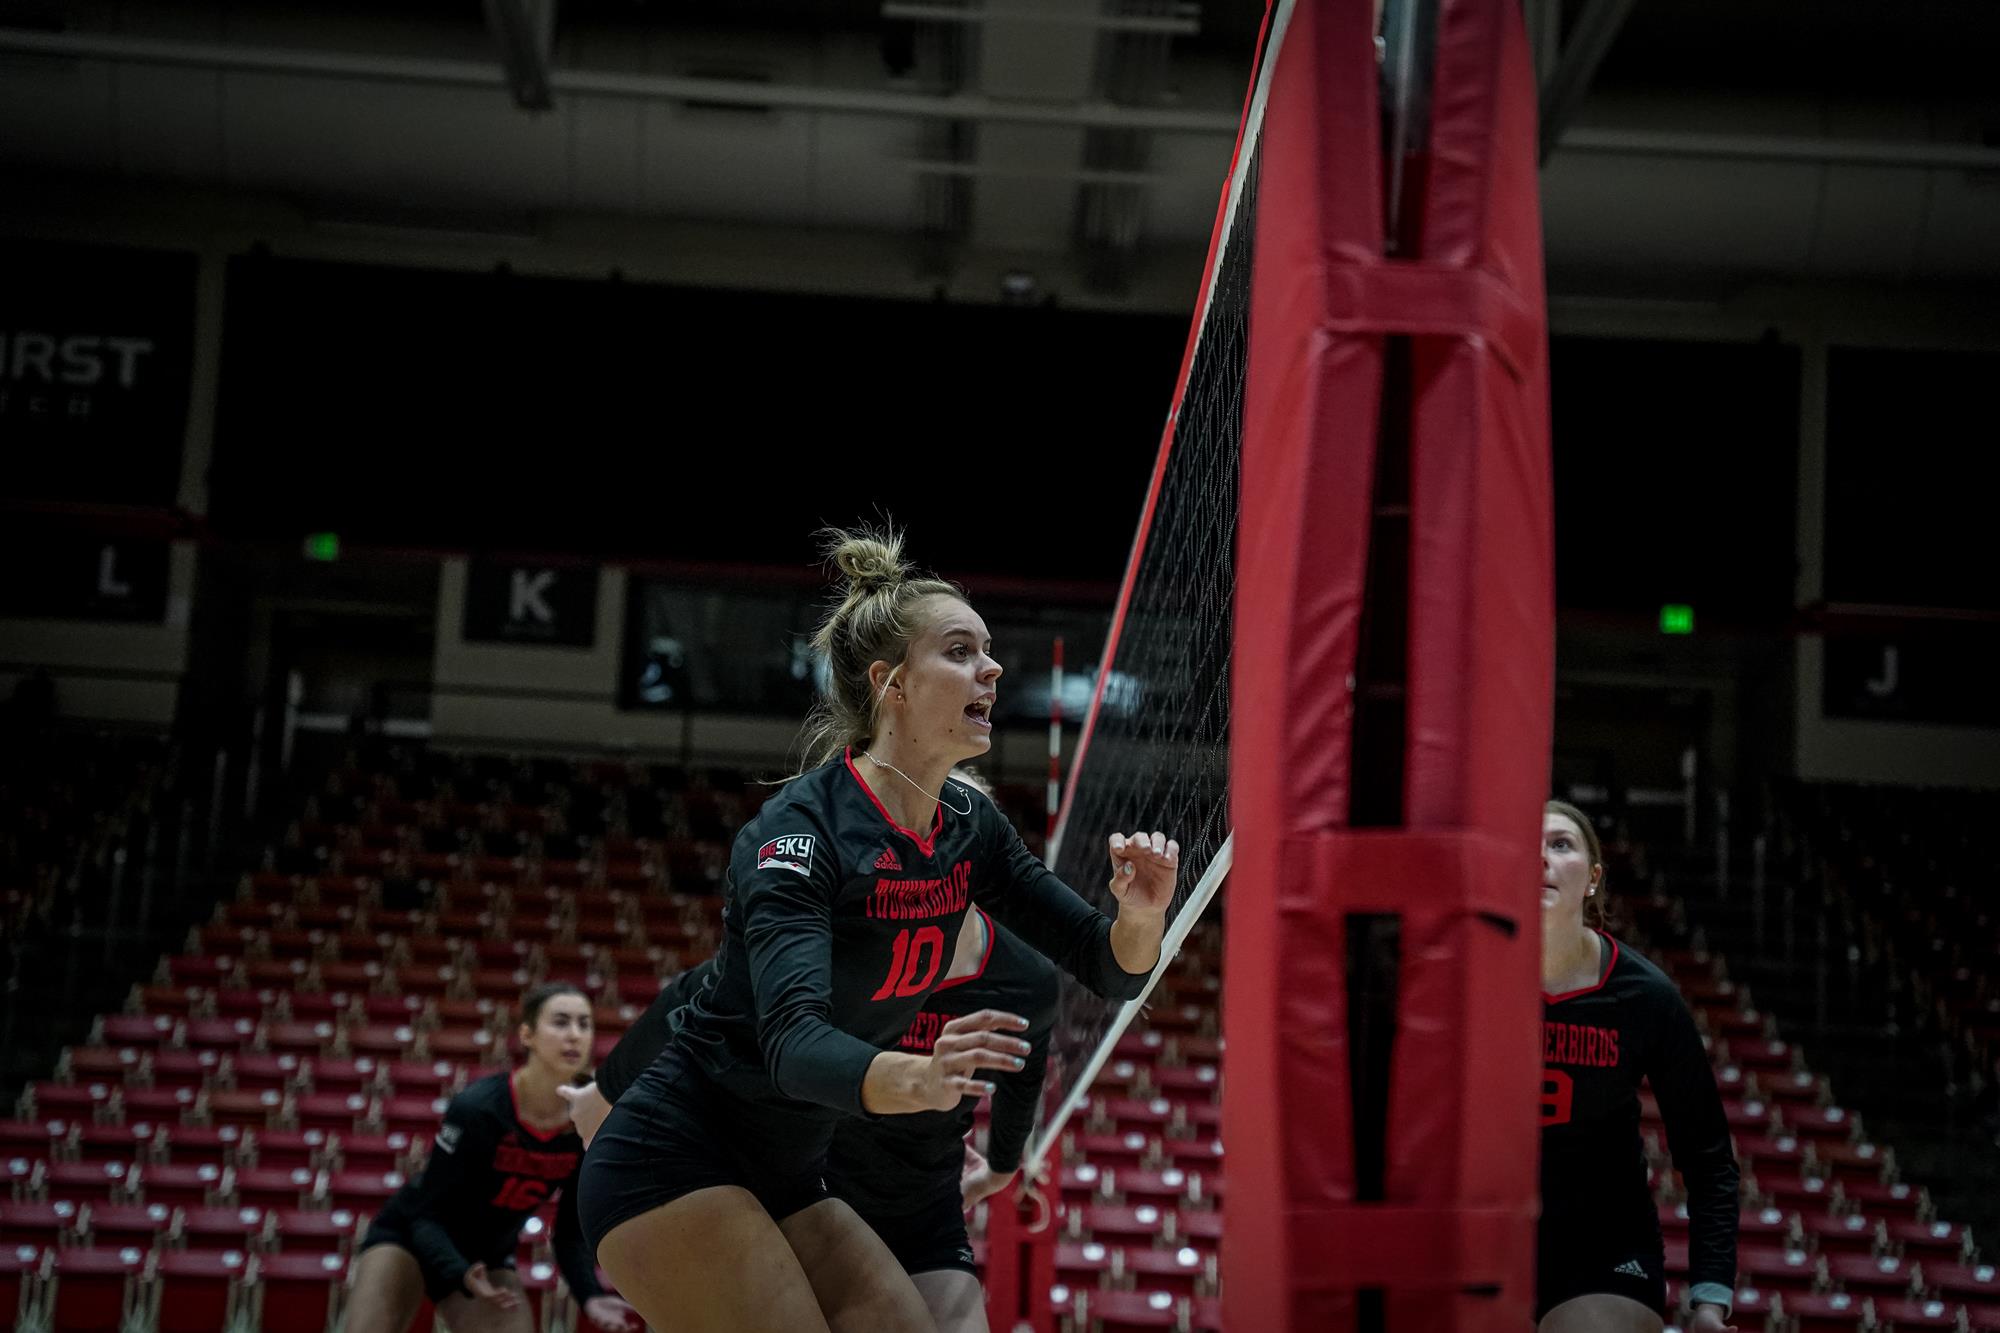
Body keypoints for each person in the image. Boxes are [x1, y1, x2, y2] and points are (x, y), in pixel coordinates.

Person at [575, 527, 1177, 1332]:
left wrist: (1141, 918)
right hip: (676, 1154)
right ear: (891, 683)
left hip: (787, 1171)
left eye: (989, 651)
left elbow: (1111, 970)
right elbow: (793, 1046)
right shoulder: (798, 834)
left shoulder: (969, 822)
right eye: (961, 651)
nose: (992, 669)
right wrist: (919, 1078)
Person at [567, 898, 1057, 1333]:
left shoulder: (1022, 978)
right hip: (818, 1178)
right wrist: (606, 1089)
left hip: (918, 1200)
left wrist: (1001, 1166)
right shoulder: (842, 940)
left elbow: (1024, 1079)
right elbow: (699, 993)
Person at [1539, 800, 1739, 1333]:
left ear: (1592, 879)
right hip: (1481, 1233)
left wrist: (1710, 1299)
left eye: (1560, 845)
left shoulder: (1646, 996)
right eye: (1526, 847)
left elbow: (1709, 1158)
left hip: (1602, 1245)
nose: (1540, 860)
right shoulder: (1465, 976)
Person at [347, 983, 638, 1333]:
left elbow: (569, 1232)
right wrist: (459, 1272)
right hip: (409, 1237)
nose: (575, 1035)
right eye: (561, 1023)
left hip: (488, 1256)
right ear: (527, 1034)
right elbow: (425, 1215)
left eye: (584, 1024)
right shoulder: (478, 1108)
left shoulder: (588, 1118)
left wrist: (589, 1295)